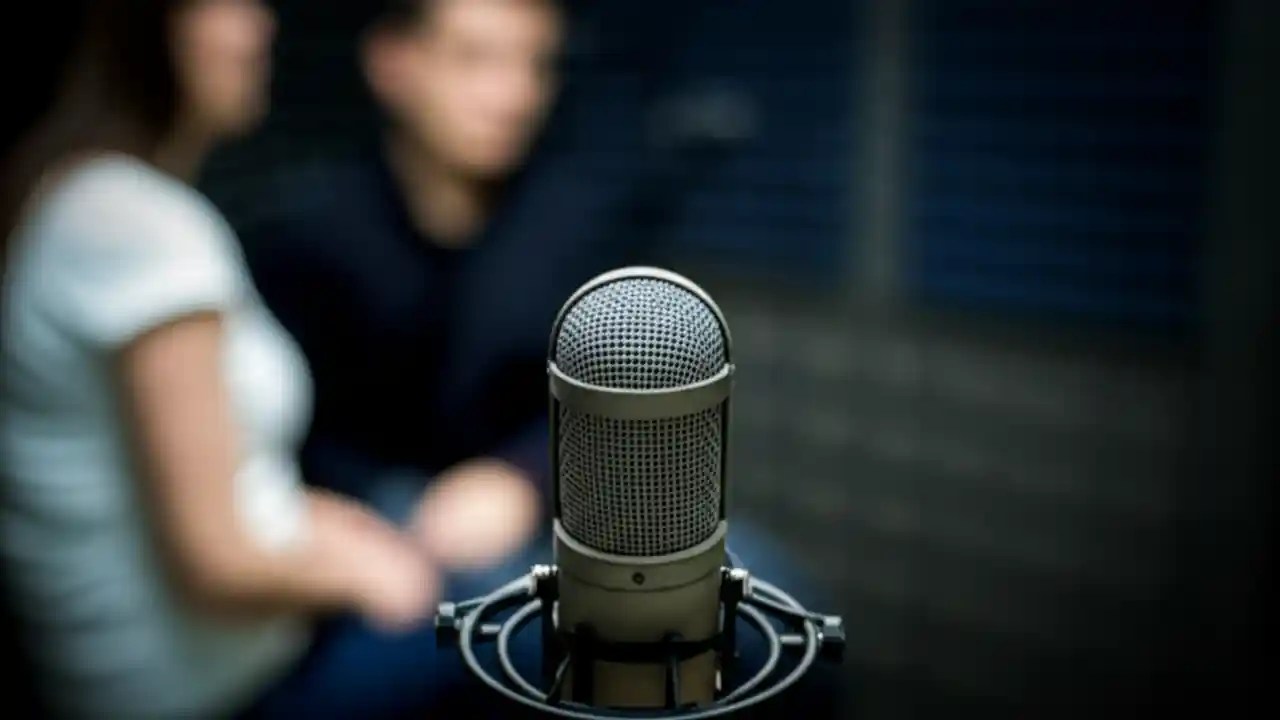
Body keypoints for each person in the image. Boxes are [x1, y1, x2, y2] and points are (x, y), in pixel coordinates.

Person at [0, 1, 441, 717]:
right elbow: (215, 560)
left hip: (234, 658)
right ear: (153, 26)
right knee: (525, 629)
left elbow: (207, 482)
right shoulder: (135, 225)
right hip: (220, 694)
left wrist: (321, 525)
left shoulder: (91, 199)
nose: (263, 25)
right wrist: (366, 575)